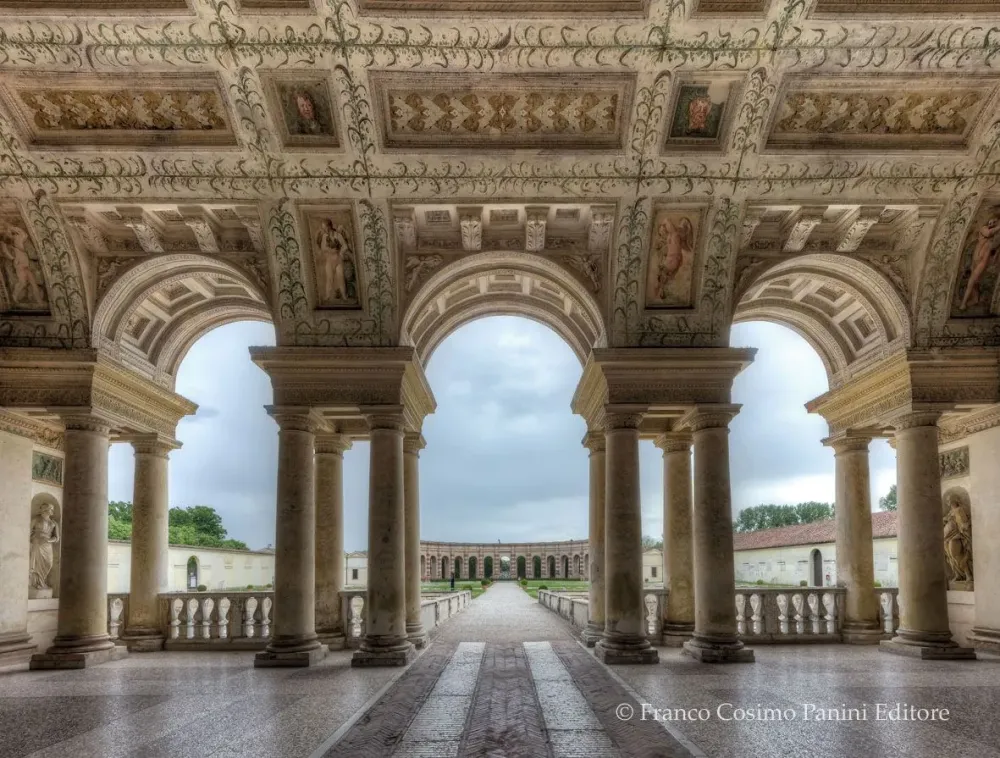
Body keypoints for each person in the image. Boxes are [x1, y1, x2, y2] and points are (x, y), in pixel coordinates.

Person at [959, 213, 1000, 310]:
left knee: (973, 279)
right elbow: (988, 233)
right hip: (976, 258)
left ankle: (963, 303)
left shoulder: (995, 235)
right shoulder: (984, 228)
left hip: (983, 260)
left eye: (995, 222)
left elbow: (995, 245)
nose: (992, 223)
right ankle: (975, 299)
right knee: (975, 280)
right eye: (992, 221)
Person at [1, 225, 45, 306]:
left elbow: (24, 234)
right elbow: (24, 234)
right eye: (11, 233)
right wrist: (13, 258)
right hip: (20, 265)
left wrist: (12, 228)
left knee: (32, 283)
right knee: (23, 283)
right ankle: (14, 296)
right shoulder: (15, 241)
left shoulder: (18, 239)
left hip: (25, 265)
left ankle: (40, 302)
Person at [315, 220, 351, 302]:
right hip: (329, 259)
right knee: (329, 278)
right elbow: (323, 247)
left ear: (329, 227)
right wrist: (329, 250)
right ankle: (327, 296)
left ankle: (344, 296)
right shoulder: (324, 236)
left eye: (325, 227)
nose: (324, 230)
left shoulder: (338, 235)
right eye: (323, 228)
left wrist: (341, 253)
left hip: (338, 259)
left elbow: (345, 246)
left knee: (340, 277)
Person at [29, 503, 60, 591]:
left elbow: (57, 538)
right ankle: (38, 583)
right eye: (51, 509)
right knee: (37, 564)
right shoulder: (36, 519)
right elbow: (28, 531)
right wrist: (35, 538)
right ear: (45, 510)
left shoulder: (54, 523)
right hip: (37, 544)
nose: (53, 511)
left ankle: (42, 582)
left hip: (47, 545)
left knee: (49, 564)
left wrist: (49, 540)